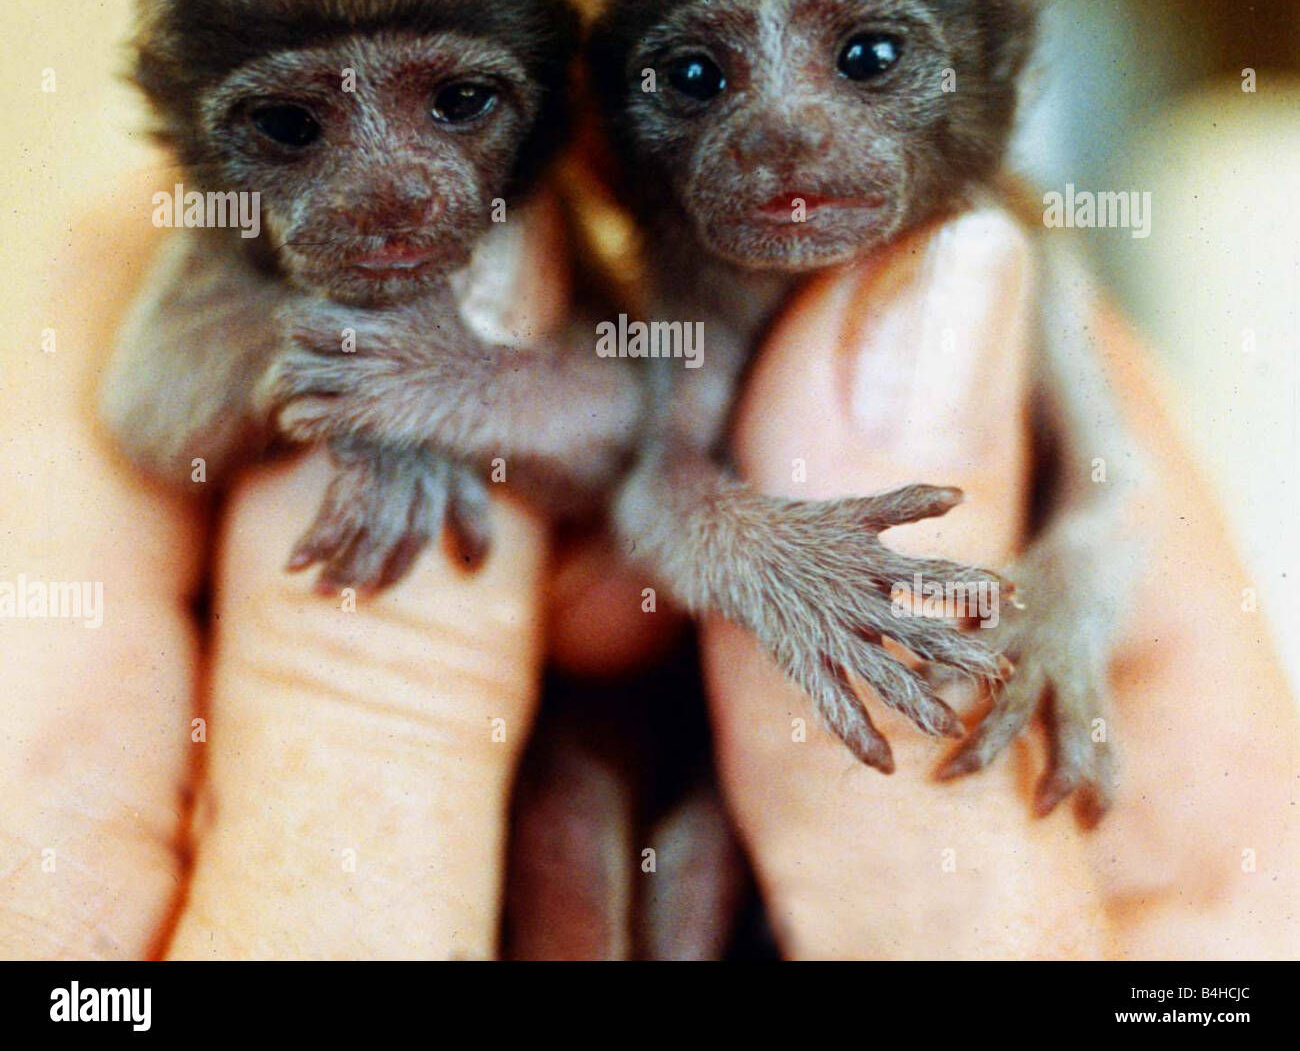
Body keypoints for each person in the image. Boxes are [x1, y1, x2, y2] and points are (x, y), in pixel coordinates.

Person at [1, 174, 1295, 960]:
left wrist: (1049, 616)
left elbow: (1116, 503)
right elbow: (148, 420)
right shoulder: (652, 273)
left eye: (870, 54)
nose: (784, 138)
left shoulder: (1008, 255)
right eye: (695, 80)